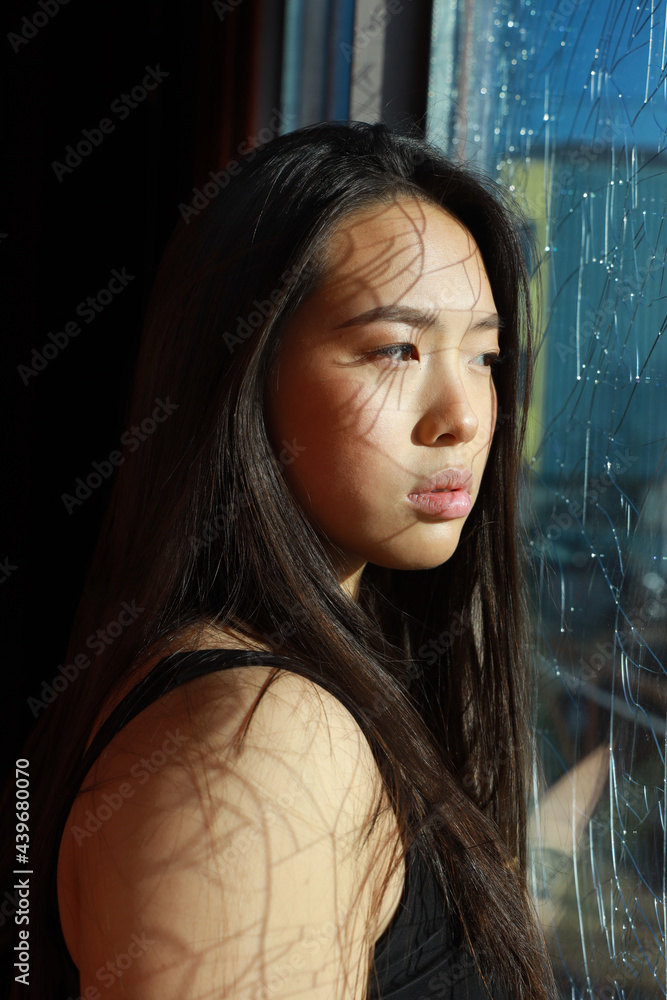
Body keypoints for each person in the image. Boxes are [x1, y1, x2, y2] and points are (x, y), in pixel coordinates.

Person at [6, 120, 558, 999]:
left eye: (485, 357)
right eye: (395, 350)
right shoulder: (261, 742)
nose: (463, 414)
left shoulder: (245, 697)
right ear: (242, 376)